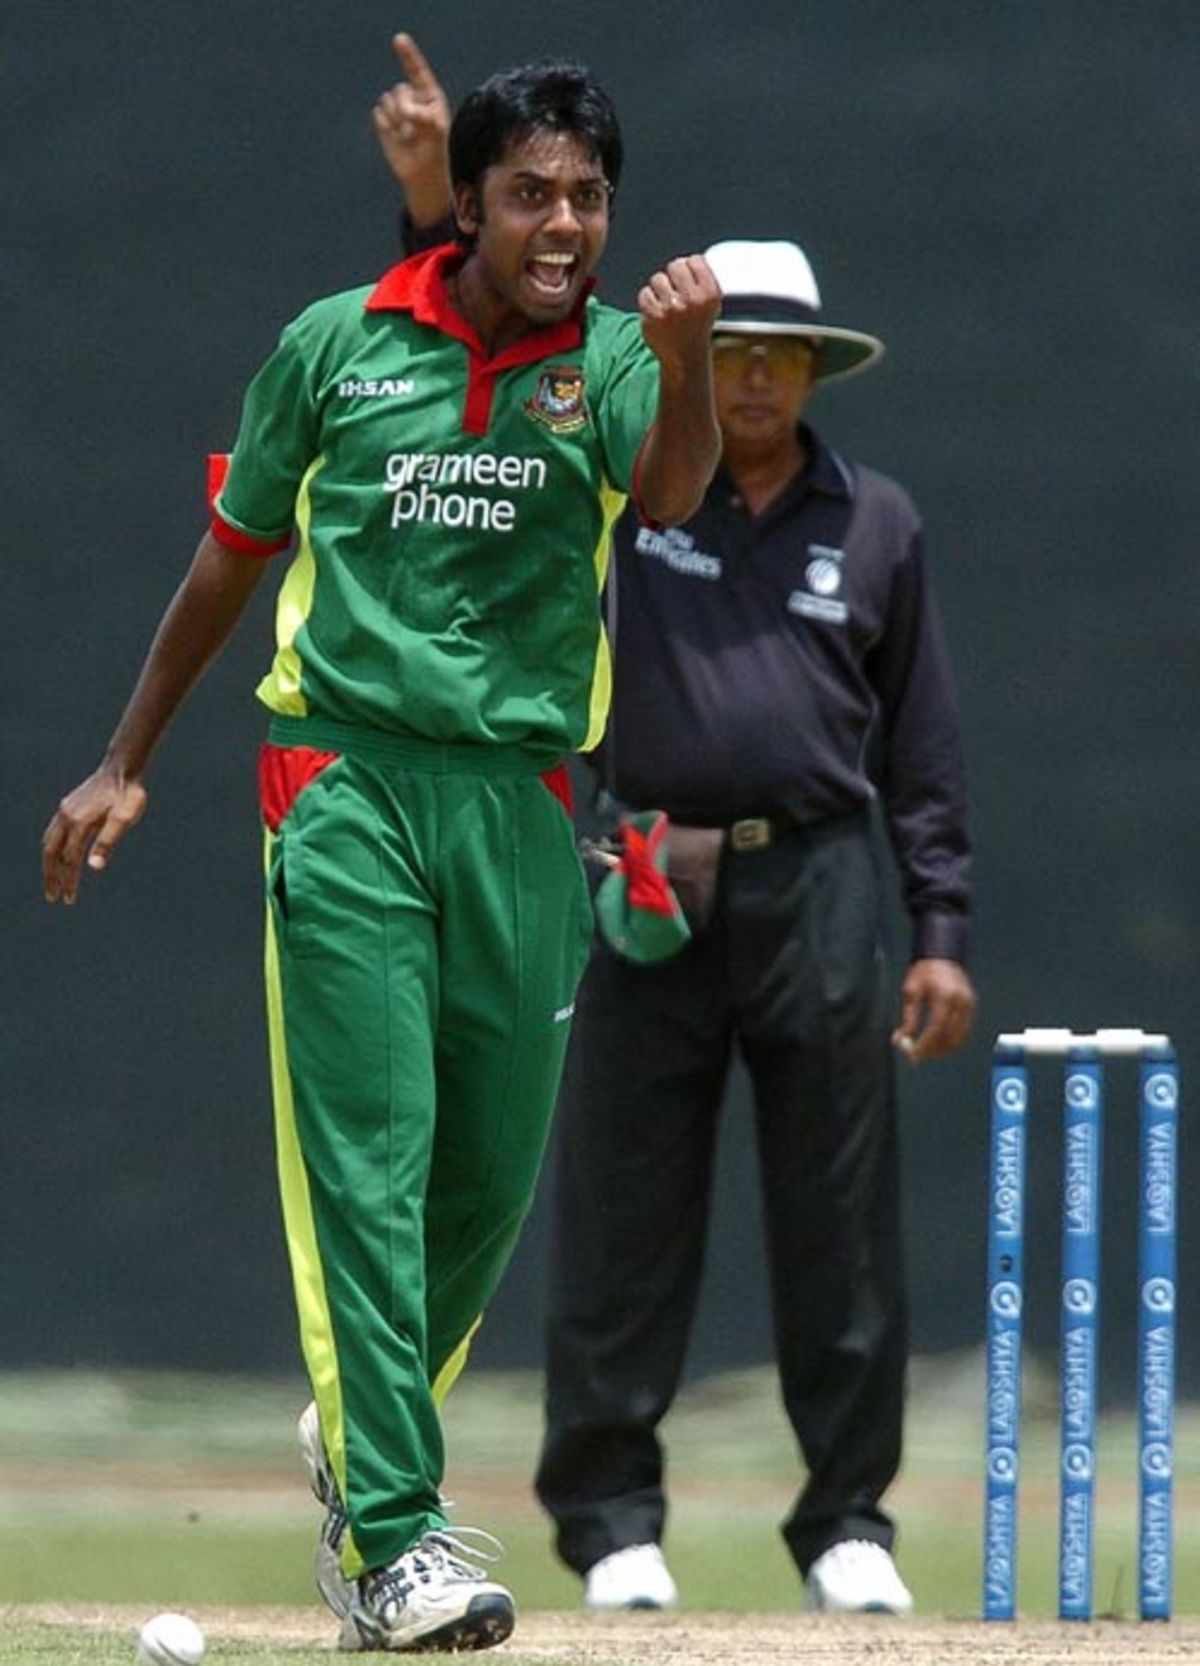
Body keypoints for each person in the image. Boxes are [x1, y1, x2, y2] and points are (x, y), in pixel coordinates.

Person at [41, 44, 721, 1655]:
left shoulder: (620, 362)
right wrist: (123, 758)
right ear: (467, 203)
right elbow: (230, 558)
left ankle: (361, 1441)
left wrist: (689, 362)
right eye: (532, 194)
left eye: (588, 196)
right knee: (370, 1155)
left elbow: (676, 496)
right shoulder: (335, 348)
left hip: (523, 804)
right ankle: (398, 1539)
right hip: (342, 779)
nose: (564, 223)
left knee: (482, 1182)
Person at [378, 44, 976, 1617]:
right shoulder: (630, 476)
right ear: (702, 357)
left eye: (785, 357)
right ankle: (609, 1518)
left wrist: (942, 931)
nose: (758, 380)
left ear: (815, 370)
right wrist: (431, 200)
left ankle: (848, 1518)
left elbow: (921, 744)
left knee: (840, 1214)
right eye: (737, 353)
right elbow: (470, 375)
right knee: (624, 1205)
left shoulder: (881, 521)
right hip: (641, 867)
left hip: (823, 883)